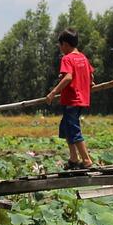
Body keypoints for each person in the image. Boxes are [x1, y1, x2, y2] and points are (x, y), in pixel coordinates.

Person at [46, 28, 94, 169]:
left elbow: (68, 77)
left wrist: (53, 92)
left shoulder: (67, 59)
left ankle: (86, 160)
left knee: (74, 130)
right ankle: (74, 158)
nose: (61, 49)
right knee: (66, 128)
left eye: (61, 46)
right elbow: (90, 75)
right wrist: (90, 83)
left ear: (65, 44)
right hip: (81, 100)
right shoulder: (83, 58)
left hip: (72, 100)